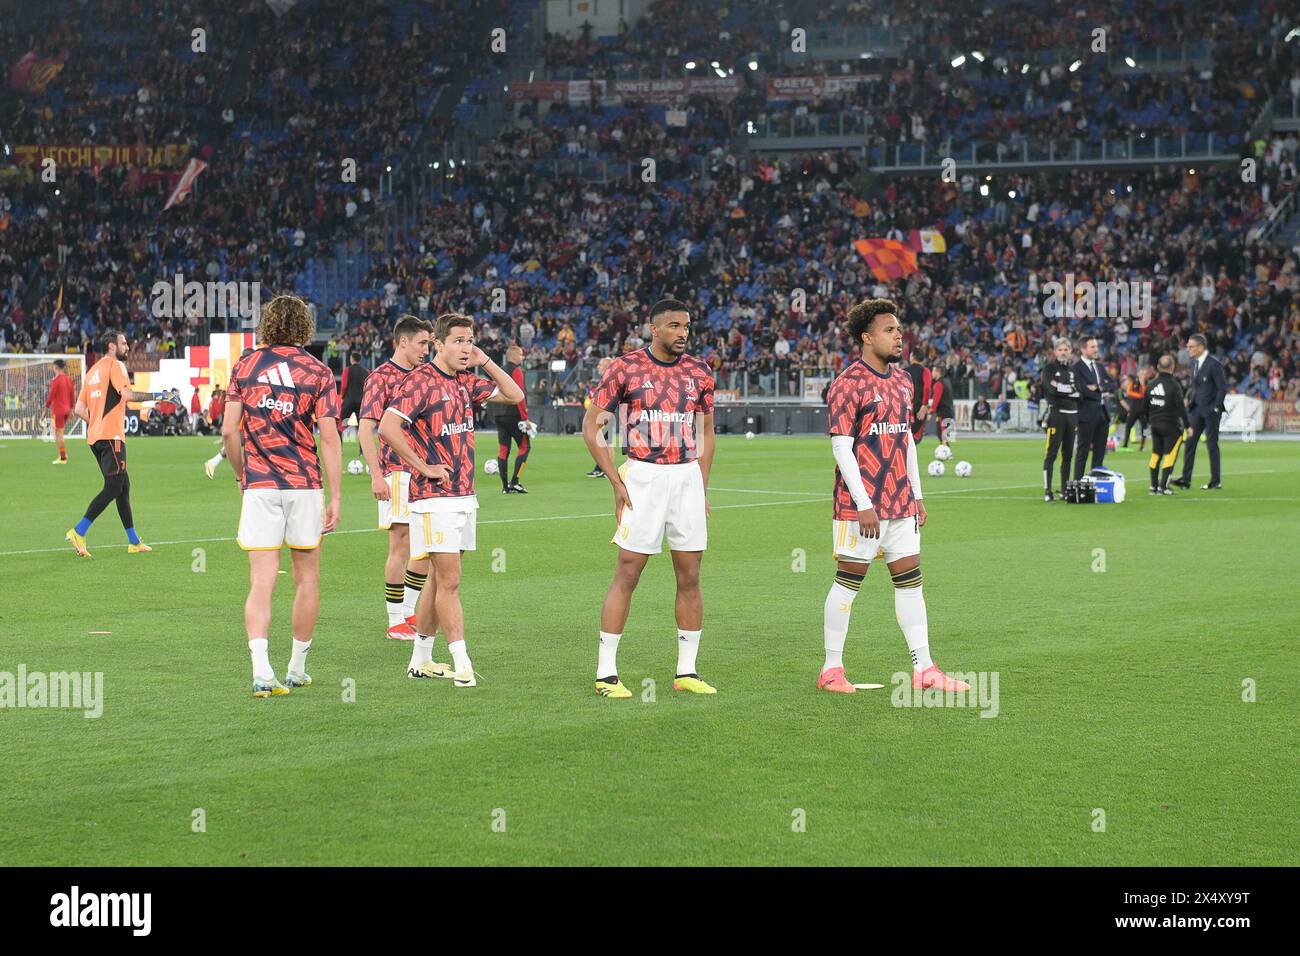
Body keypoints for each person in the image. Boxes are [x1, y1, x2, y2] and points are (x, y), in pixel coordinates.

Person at [818, 298, 968, 695]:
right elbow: (840, 447)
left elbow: (907, 441)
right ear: (867, 337)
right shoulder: (848, 383)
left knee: (910, 581)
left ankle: (925, 668)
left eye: (900, 329)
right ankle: (831, 669)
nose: (899, 335)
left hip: (900, 502)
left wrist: (917, 495)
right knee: (849, 582)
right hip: (860, 506)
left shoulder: (904, 381)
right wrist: (864, 504)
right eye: (889, 329)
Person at [378, 312, 524, 687]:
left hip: (464, 495)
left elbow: (515, 395)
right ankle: (462, 662)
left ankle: (420, 659)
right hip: (433, 498)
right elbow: (388, 428)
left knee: (438, 582)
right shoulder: (420, 382)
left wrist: (486, 361)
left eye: (470, 339)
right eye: (458, 340)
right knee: (452, 583)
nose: (467, 346)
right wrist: (423, 466)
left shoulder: (464, 382)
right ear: (438, 345)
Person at [582, 299, 716, 699]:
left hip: (686, 477)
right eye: (674, 326)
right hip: (643, 475)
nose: (682, 333)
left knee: (690, 576)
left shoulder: (700, 372)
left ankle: (687, 671)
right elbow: (593, 428)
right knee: (628, 572)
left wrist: (701, 486)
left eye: (686, 326)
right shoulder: (625, 367)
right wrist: (616, 483)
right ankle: (606, 674)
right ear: (654, 329)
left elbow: (707, 432)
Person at [222, 295, 342, 698]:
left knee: (261, 581)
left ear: (267, 324)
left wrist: (242, 475)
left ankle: (261, 671)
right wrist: (336, 495)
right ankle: (297, 668)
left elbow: (227, 432)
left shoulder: (245, 365)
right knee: (307, 579)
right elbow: (329, 436)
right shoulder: (319, 371)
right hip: (305, 484)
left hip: (261, 485)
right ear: (304, 328)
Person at [357, 314, 434, 641]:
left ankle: (409, 610)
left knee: (427, 548)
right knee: (401, 544)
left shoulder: (425, 376)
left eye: (430, 344)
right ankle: (393, 620)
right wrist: (376, 476)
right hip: (397, 472)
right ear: (402, 342)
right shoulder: (381, 377)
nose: (426, 350)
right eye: (422, 343)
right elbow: (366, 428)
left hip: (425, 471)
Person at [65, 330, 165, 557]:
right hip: (111, 437)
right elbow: (128, 395)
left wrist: (96, 423)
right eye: (123, 342)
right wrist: (159, 395)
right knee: (113, 487)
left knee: (123, 486)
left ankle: (134, 542)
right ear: (112, 346)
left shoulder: (91, 372)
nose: (127, 346)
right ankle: (79, 531)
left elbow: (79, 409)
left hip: (95, 439)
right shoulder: (115, 366)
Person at [1171, 333, 1227, 490]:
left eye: (1191, 346)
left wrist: (1216, 408)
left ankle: (1215, 481)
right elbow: (1195, 387)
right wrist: (1189, 398)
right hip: (1196, 410)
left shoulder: (1214, 364)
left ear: (1201, 347)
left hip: (1210, 411)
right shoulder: (1194, 364)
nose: (1188, 349)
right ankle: (1186, 479)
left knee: (1211, 444)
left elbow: (1222, 388)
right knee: (1190, 443)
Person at [1137, 354, 1188, 495]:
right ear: (1173, 368)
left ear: (1158, 367)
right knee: (1170, 455)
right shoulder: (1175, 385)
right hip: (1171, 425)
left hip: (1155, 425)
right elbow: (1181, 408)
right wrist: (1188, 425)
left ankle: (1153, 486)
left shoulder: (1151, 385)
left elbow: (1144, 407)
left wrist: (1148, 421)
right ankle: (1163, 487)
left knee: (1156, 454)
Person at [1072, 336, 1116, 479]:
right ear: (1083, 349)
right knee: (1082, 452)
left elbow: (1113, 385)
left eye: (1096, 346)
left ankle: (1096, 482)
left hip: (1102, 414)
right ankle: (1077, 483)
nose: (1096, 349)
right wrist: (1101, 390)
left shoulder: (1099, 366)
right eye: (1093, 347)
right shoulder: (1076, 368)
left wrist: (1097, 387)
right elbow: (1083, 391)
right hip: (1086, 415)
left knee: (1100, 452)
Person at [1041, 338, 1079, 501]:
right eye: (1060, 350)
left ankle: (1065, 490)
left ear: (1070, 352)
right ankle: (1047, 490)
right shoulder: (1049, 369)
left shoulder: (1072, 371)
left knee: (1068, 455)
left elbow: (1079, 393)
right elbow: (1050, 390)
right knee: (1051, 454)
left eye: (1066, 350)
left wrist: (1062, 388)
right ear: (1055, 352)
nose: (1063, 352)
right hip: (1056, 415)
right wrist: (1068, 391)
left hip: (1072, 416)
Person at [493, 343, 534, 493]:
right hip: (514, 415)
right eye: (521, 354)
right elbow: (519, 396)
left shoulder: (499, 370)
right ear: (514, 356)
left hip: (499, 414)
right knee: (525, 447)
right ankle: (515, 481)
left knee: (503, 450)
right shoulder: (516, 370)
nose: (522, 357)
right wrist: (525, 418)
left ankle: (505, 487)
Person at [205, 350, 252, 477]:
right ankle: (216, 462)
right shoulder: (246, 373)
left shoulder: (239, 371)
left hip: (243, 417)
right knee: (241, 440)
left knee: (241, 441)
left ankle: (214, 461)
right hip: (244, 418)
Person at [583, 356, 614, 477]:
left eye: (600, 365)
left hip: (604, 414)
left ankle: (605, 470)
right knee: (606, 442)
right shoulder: (607, 379)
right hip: (605, 413)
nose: (598, 367)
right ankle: (604, 469)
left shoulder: (609, 379)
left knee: (604, 442)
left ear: (607, 366)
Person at [46, 358, 75, 465]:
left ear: (56, 368)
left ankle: (63, 458)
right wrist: (72, 409)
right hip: (67, 410)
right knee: (57, 432)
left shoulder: (56, 380)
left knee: (58, 434)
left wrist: (45, 407)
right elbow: (72, 395)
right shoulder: (69, 379)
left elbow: (51, 395)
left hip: (58, 410)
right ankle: (63, 454)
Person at [340, 352, 368, 448]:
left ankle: (340, 449)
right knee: (362, 428)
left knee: (342, 424)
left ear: (351, 359)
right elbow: (368, 388)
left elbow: (343, 386)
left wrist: (342, 397)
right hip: (361, 402)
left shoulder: (347, 370)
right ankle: (362, 451)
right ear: (359, 360)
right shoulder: (366, 371)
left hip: (349, 400)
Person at [905, 349, 931, 447]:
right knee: (916, 436)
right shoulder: (925, 371)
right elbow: (927, 388)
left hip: (905, 408)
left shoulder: (903, 371)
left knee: (905, 434)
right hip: (918, 408)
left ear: (912, 357)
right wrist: (924, 406)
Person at [927, 368, 955, 446]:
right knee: (943, 433)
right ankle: (947, 451)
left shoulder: (938, 384)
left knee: (941, 433)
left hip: (942, 413)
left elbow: (936, 400)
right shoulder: (946, 382)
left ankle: (946, 452)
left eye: (933, 371)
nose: (932, 373)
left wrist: (930, 412)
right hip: (949, 411)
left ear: (938, 372)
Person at [1120, 372, 1147, 451]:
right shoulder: (1133, 383)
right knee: (1128, 426)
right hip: (1134, 409)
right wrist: (1139, 395)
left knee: (1144, 429)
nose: (1142, 376)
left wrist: (1142, 385)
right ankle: (1125, 444)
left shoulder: (1147, 383)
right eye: (1141, 375)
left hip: (1143, 410)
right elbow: (1129, 392)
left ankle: (1143, 446)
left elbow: (1145, 394)